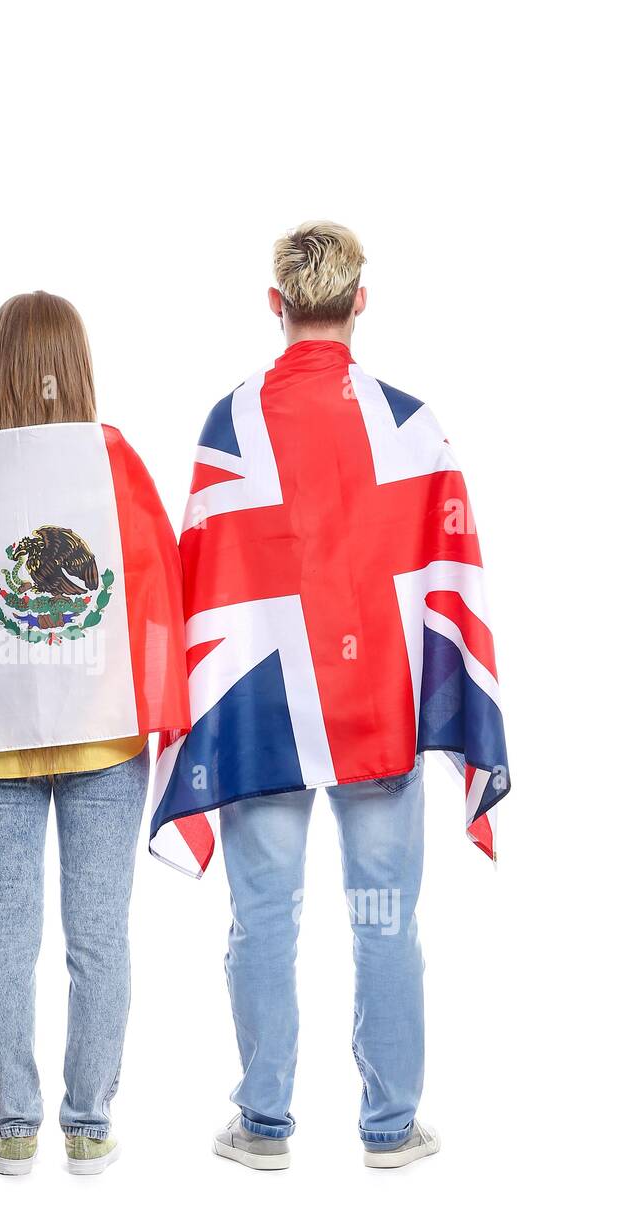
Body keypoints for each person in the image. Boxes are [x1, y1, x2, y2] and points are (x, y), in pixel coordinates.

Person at [149, 222, 510, 1170]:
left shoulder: (229, 421)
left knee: (263, 917)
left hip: (264, 711)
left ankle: (263, 1127)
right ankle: (390, 1130)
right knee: (386, 918)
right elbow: (451, 574)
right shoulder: (413, 422)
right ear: (360, 303)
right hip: (379, 713)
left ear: (276, 305)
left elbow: (205, 583)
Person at [0, 292, 189, 1175]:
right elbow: (155, 585)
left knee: (4, 936)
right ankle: (88, 1124)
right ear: (77, 363)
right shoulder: (116, 459)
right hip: (104, 743)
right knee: (101, 937)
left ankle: (15, 1123)